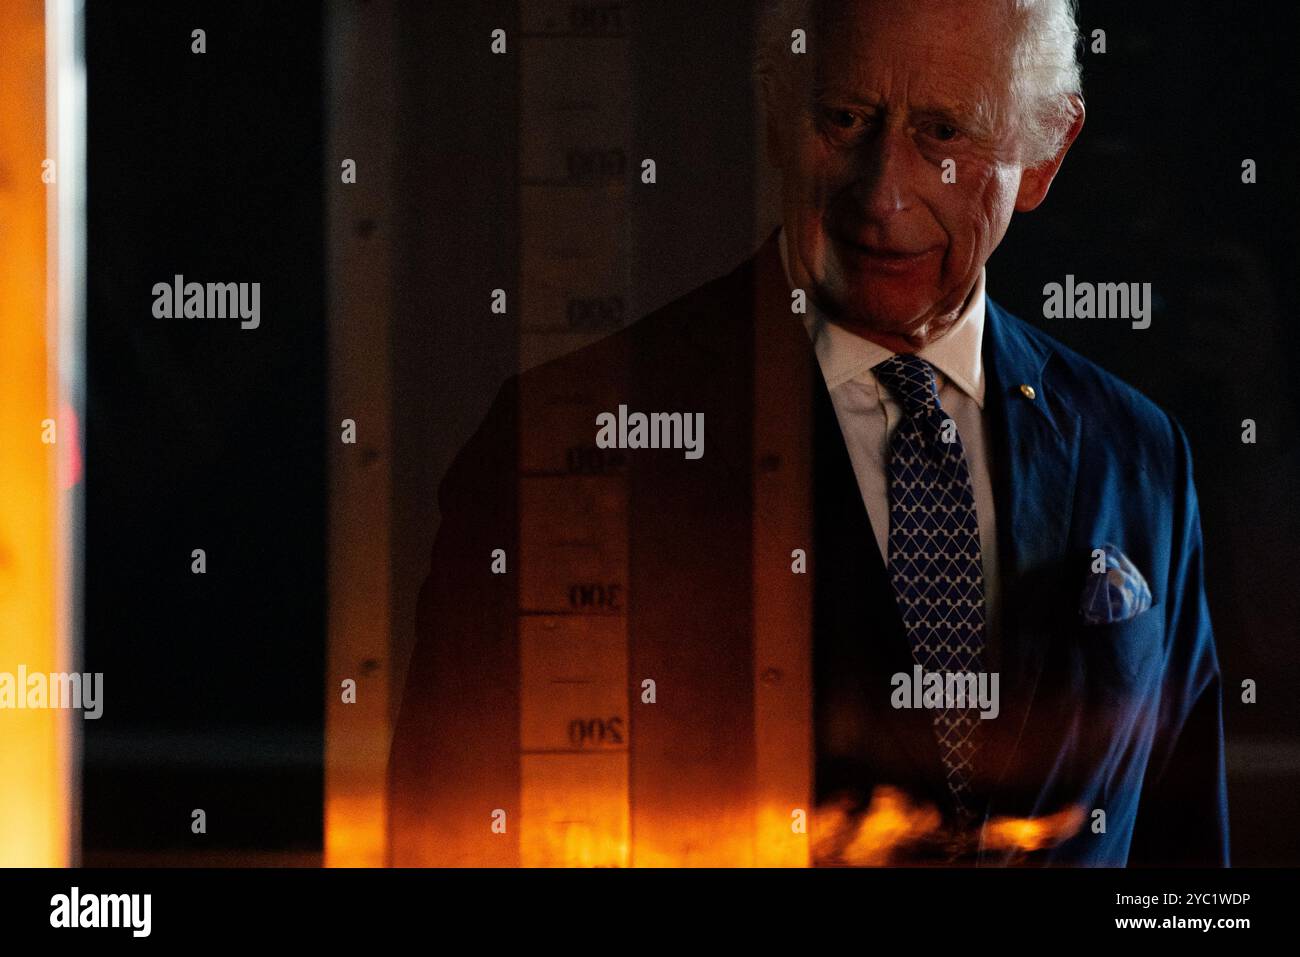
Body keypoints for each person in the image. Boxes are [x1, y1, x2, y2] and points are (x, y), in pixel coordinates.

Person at [388, 0, 1229, 867]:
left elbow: (1187, 880)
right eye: (845, 118)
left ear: (1045, 153)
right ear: (775, 114)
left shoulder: (1139, 453)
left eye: (943, 131)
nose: (882, 194)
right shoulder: (565, 446)